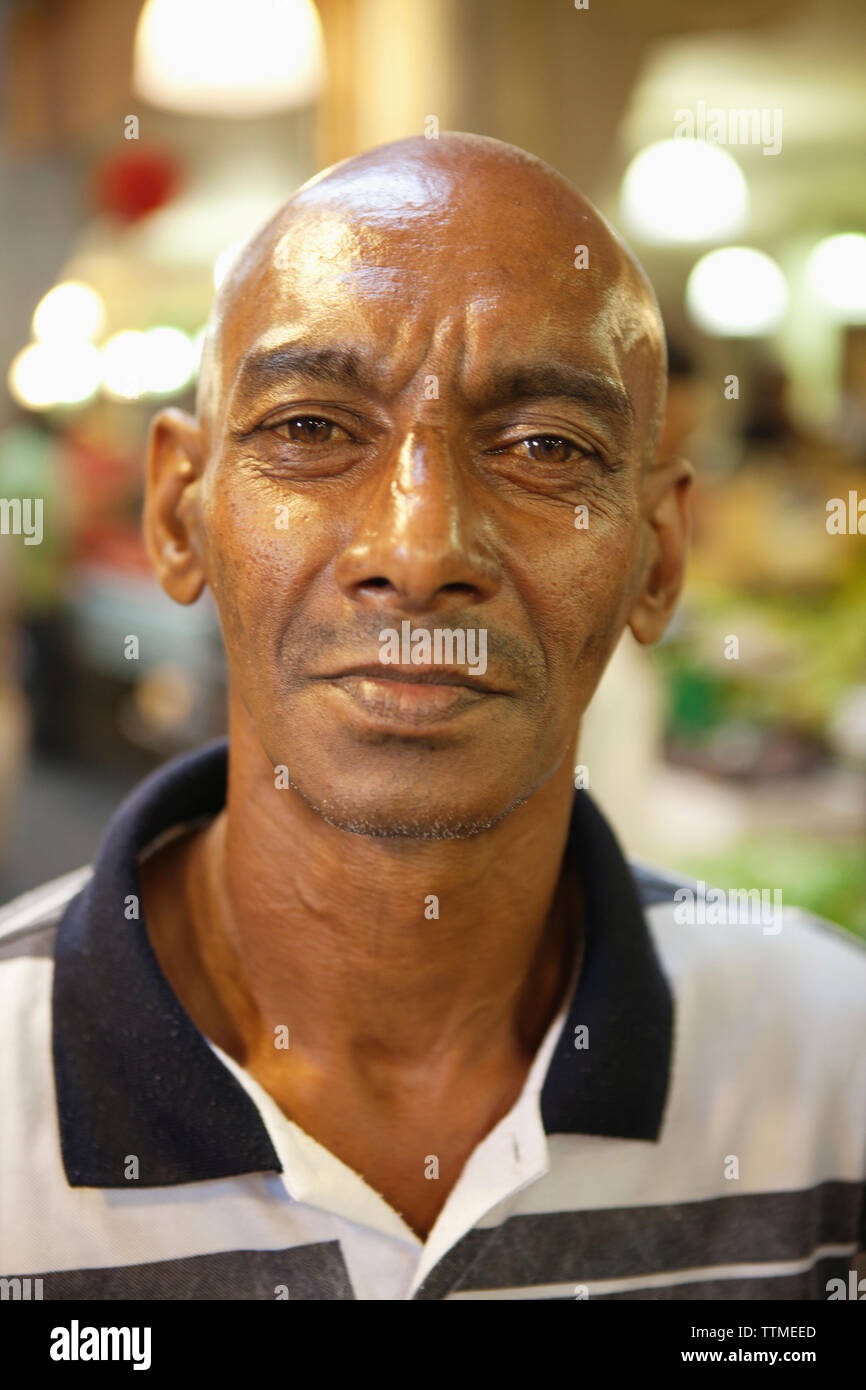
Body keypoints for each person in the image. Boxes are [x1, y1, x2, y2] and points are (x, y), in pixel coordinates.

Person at [1, 133, 863, 1302]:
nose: (416, 552)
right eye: (310, 429)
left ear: (655, 560)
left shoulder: (831, 1069)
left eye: (544, 449)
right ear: (177, 513)